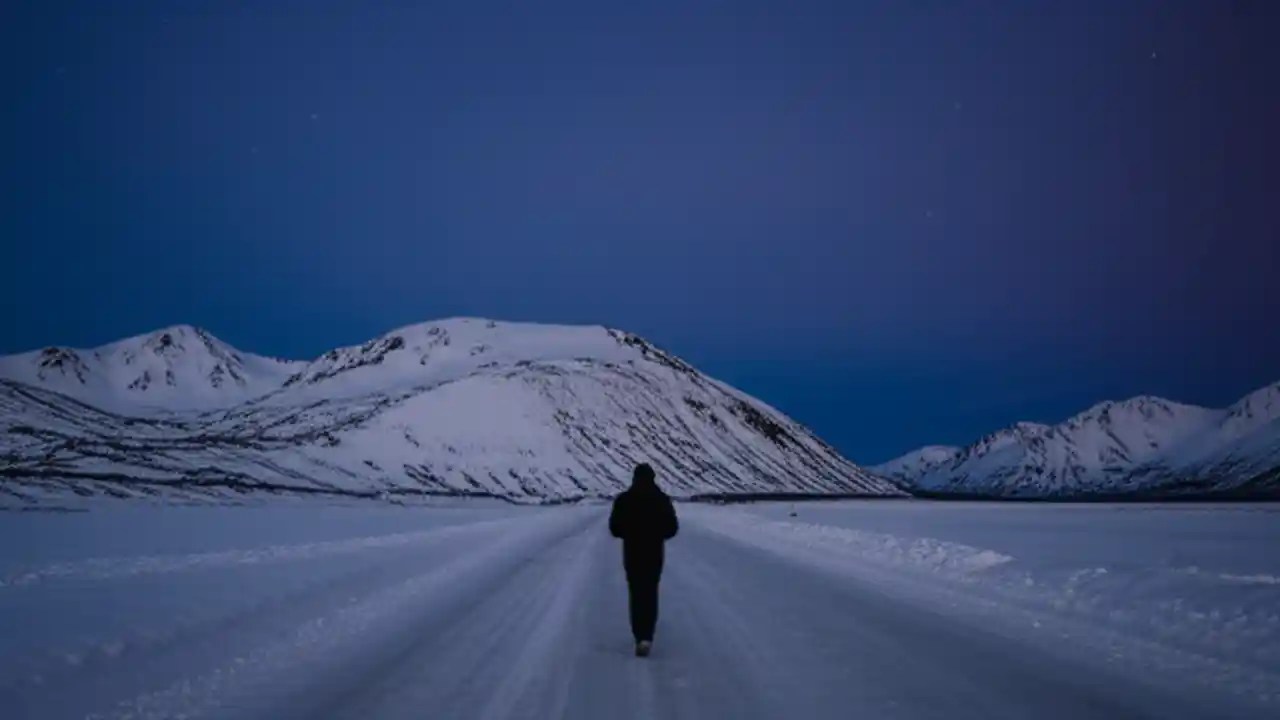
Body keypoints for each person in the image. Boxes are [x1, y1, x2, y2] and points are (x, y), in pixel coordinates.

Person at [608, 462, 679, 657]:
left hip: (632, 553)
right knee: (650, 591)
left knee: (636, 592)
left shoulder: (623, 500)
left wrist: (630, 532)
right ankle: (647, 635)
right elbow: (672, 528)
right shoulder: (662, 499)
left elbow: (614, 529)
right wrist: (656, 533)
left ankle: (639, 634)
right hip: (654, 553)